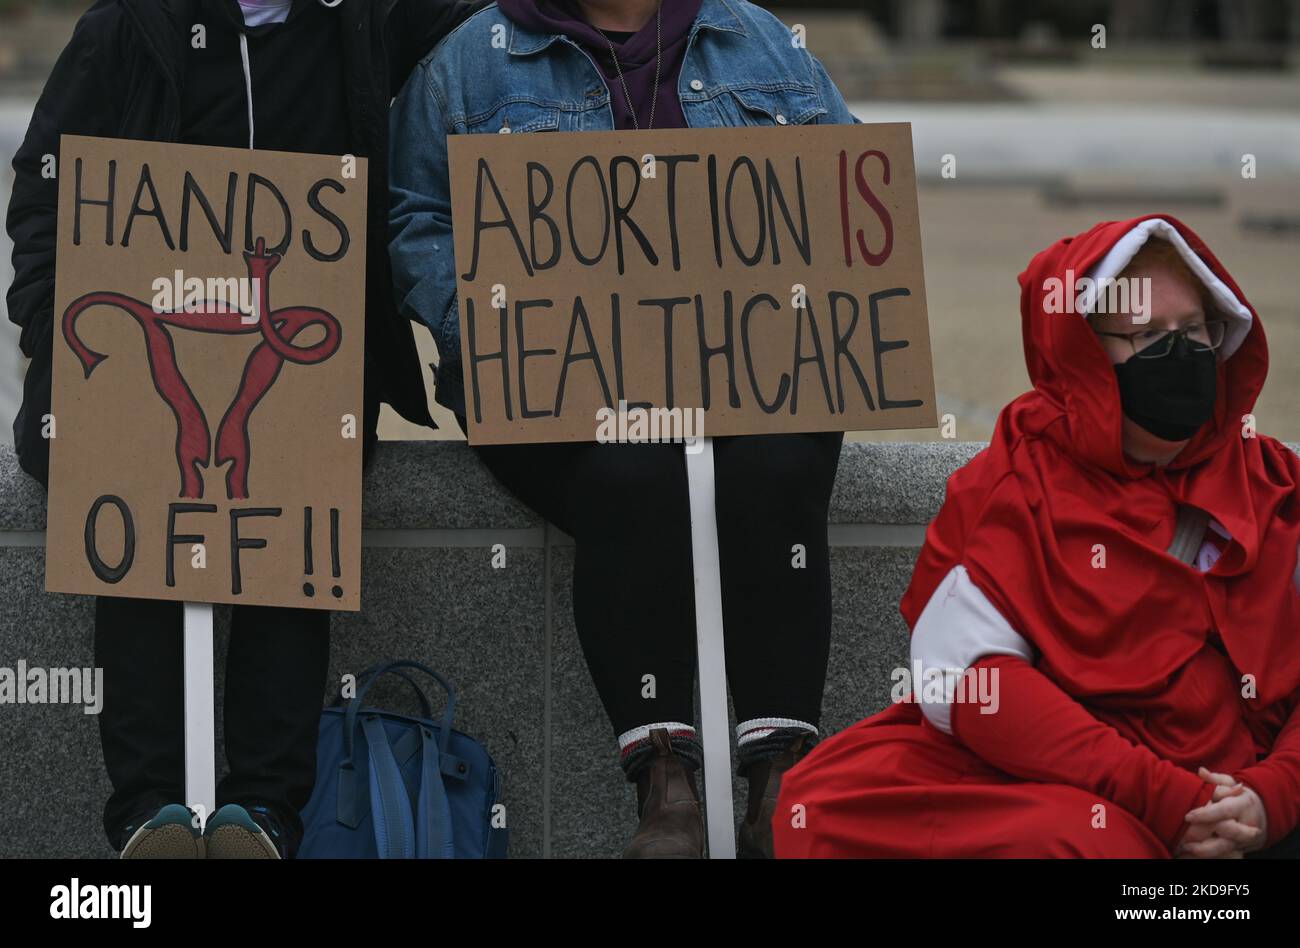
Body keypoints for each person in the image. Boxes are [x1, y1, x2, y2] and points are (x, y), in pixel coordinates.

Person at [6, 0, 480, 858]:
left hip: (299, 367)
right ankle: (148, 812)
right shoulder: (125, 28)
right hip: (146, 366)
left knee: (294, 531)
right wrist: (59, 337)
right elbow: (44, 190)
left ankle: (262, 812)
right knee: (140, 519)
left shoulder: (367, 22)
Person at [389, 0, 858, 857]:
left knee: (779, 467)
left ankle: (782, 777)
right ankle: (665, 782)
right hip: (556, 388)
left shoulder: (757, 40)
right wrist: (493, 327)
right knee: (634, 473)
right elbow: (417, 218)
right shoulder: (466, 64)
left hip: (750, 378)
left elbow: (849, 194)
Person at [774, 214, 1300, 859]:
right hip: (1081, 785)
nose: (1181, 354)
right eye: (1145, 336)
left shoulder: (1273, 483)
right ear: (1080, 350)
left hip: (1252, 793)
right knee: (832, 810)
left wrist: (1274, 794)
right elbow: (975, 685)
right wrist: (1165, 797)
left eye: (1192, 330)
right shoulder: (1017, 482)